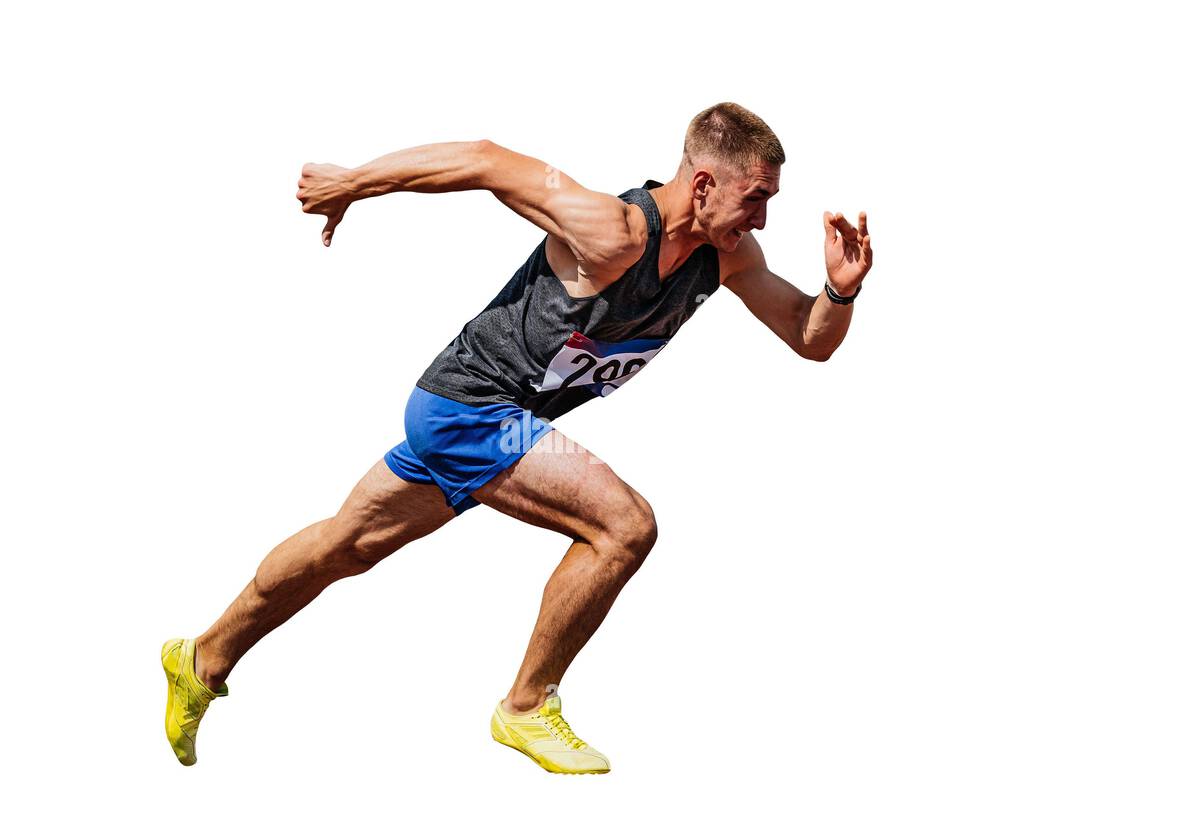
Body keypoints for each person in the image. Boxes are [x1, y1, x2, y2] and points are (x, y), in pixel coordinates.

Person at [162, 102, 873, 773]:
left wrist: (839, 291)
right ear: (705, 183)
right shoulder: (613, 230)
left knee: (344, 547)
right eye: (757, 198)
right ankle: (526, 705)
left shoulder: (727, 258)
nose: (764, 219)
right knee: (624, 525)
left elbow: (808, 338)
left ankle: (201, 658)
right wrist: (352, 182)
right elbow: (483, 159)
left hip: (485, 421)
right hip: (470, 407)